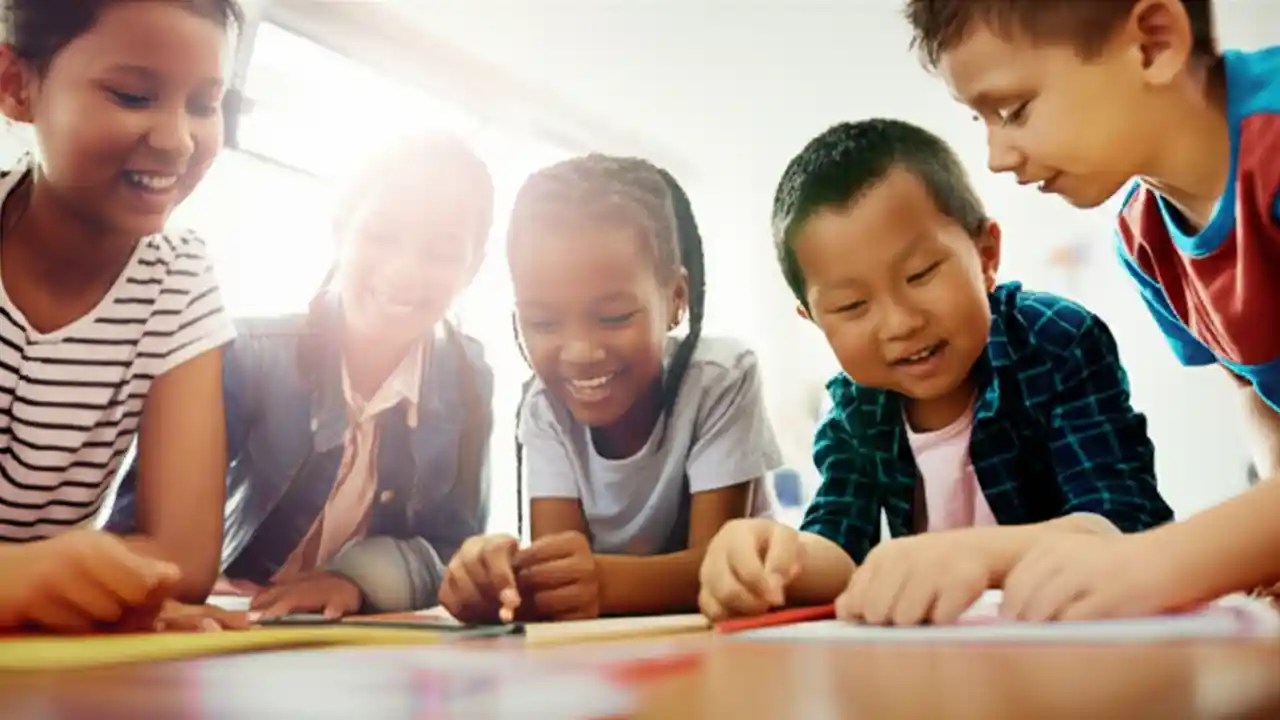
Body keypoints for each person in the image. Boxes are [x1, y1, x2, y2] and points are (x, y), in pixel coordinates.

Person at [699, 120, 1172, 625]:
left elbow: (1123, 520)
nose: (900, 323)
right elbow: (838, 548)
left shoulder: (1055, 341)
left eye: (921, 274)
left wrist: (977, 555)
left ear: (986, 256)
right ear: (815, 321)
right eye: (853, 305)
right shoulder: (856, 407)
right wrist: (775, 558)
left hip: (1079, 640)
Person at [904, 0, 1280, 619]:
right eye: (983, 122)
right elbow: (1252, 384)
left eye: (1015, 110)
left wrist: (1159, 563)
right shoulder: (1143, 237)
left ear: (1153, 44)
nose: (997, 156)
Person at [109, 134, 495, 619]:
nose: (406, 270)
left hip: (360, 635)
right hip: (230, 621)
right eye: (381, 235)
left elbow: (459, 556)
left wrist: (357, 582)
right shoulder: (244, 355)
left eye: (440, 252)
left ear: (474, 268)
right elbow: (136, 541)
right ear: (340, 230)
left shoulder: (468, 380)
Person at [440, 155, 781, 622]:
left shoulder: (721, 379)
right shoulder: (543, 408)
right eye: (542, 322)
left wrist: (602, 584)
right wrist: (497, 583)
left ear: (676, 299)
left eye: (615, 317)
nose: (580, 351)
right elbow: (557, 567)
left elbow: (720, 567)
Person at [0, 0, 244, 631]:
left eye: (204, 104)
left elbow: (183, 561)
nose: (177, 139)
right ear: (16, 87)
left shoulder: (180, 279)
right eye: (133, 95)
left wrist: (100, 592)